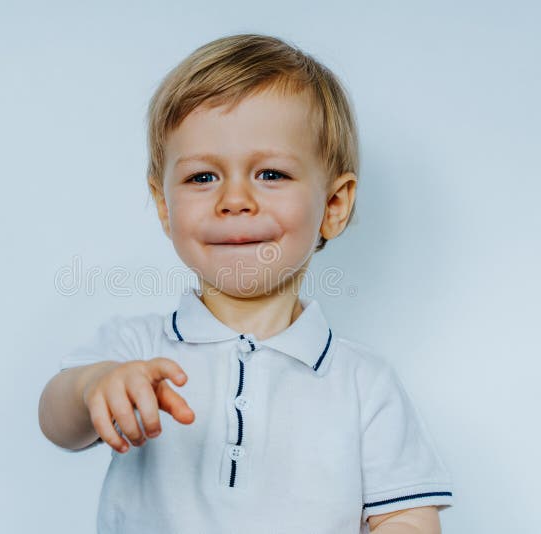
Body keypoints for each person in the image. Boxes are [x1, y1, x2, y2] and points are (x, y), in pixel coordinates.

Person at [38, 33, 454, 534]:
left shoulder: (363, 384)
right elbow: (57, 422)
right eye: (202, 178)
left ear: (334, 205)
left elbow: (407, 517)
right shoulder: (136, 349)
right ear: (164, 205)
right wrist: (92, 387)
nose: (235, 199)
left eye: (271, 174)